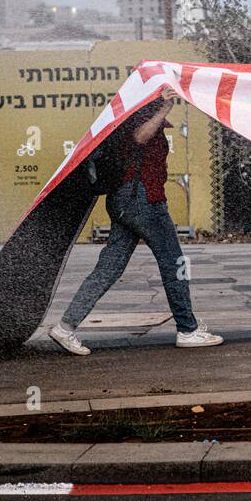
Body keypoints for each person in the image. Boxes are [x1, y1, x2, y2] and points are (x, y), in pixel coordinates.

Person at [48, 89, 222, 355]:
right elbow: (140, 138)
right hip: (143, 201)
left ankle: (65, 327)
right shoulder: (137, 120)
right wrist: (164, 108)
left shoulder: (131, 118)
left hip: (126, 202)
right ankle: (188, 330)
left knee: (109, 268)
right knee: (174, 262)